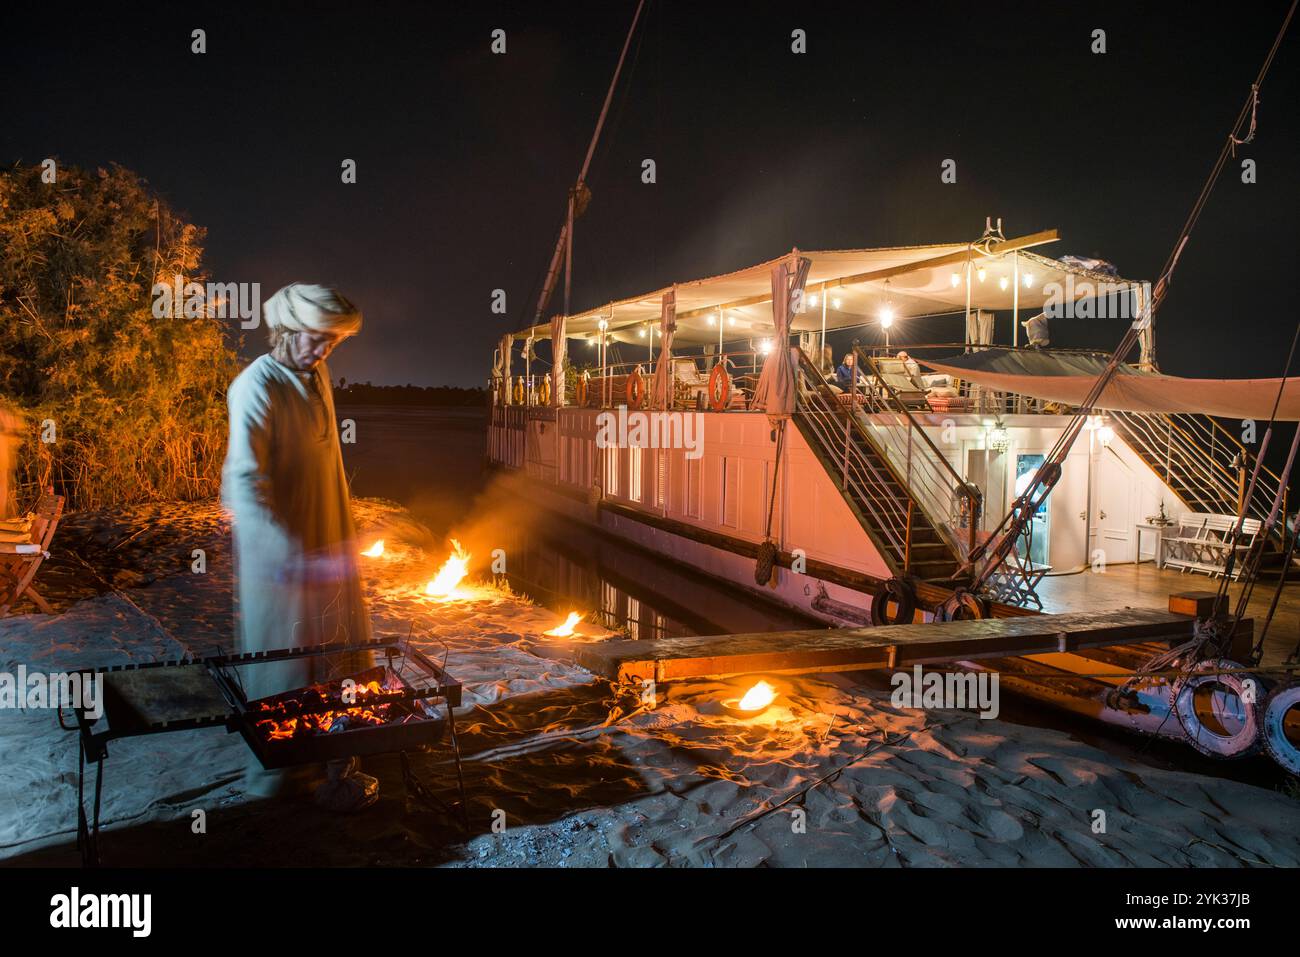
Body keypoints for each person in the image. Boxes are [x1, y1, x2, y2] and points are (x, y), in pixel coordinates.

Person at [222, 283, 378, 811]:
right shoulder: (255, 387)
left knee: (340, 658)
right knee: (286, 666)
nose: (325, 350)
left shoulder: (319, 377)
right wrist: (287, 554)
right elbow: (241, 481)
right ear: (287, 330)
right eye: (317, 338)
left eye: (333, 342)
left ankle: (338, 758)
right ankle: (275, 778)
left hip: (330, 544)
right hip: (283, 562)